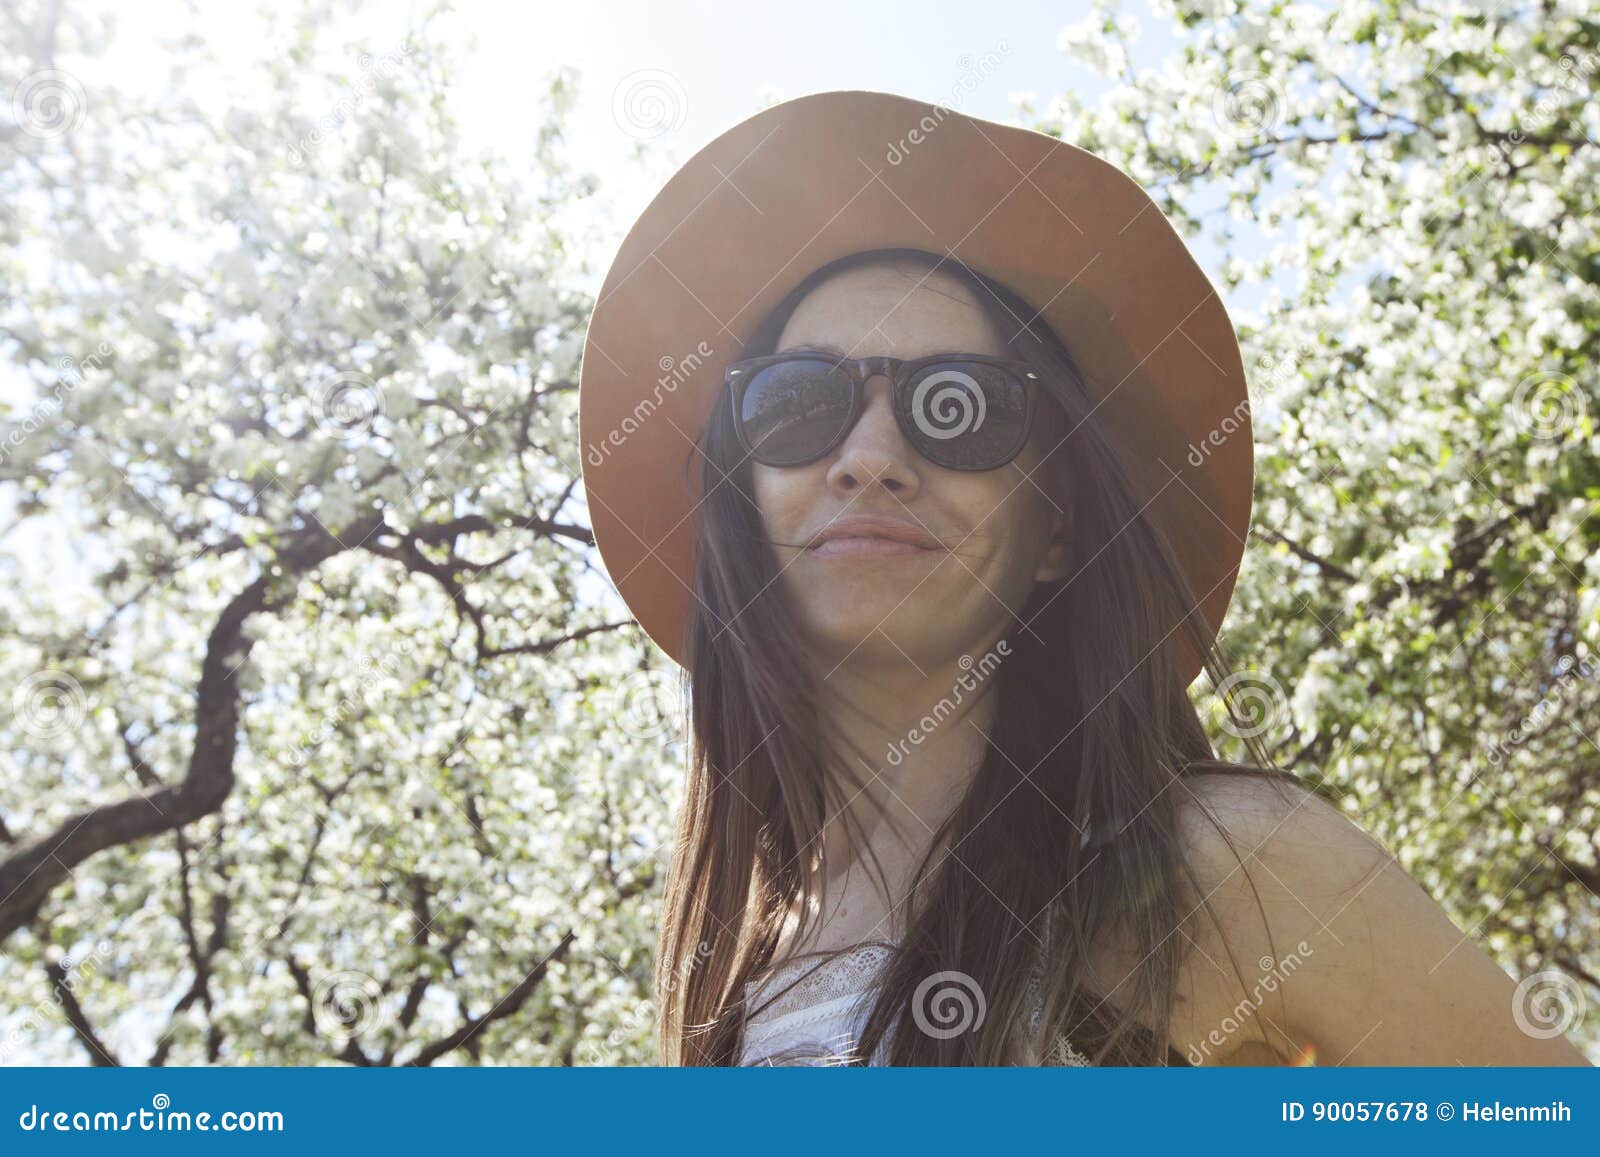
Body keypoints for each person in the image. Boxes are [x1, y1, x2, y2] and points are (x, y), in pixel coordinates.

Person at [577, 91, 1592, 1067]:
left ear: (1055, 530)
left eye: (958, 406)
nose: (871, 456)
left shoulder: (1236, 868)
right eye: (799, 404)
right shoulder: (736, 974)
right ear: (742, 503)